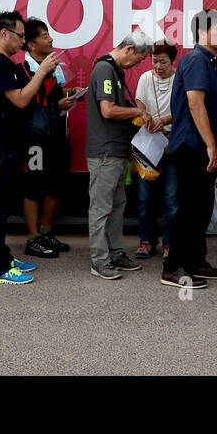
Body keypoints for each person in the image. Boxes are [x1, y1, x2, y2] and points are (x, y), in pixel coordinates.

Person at [0, 10, 53, 285]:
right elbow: (21, 100)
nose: (23, 41)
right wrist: (42, 70)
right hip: (5, 143)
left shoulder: (5, 63)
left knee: (5, 203)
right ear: (4, 33)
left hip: (14, 141)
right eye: (21, 35)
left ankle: (5, 257)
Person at [160, 10, 217, 291]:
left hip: (199, 146)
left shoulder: (209, 62)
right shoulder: (196, 60)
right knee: (189, 209)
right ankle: (173, 267)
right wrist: (211, 144)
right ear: (202, 32)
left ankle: (194, 261)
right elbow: (195, 104)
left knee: (201, 209)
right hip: (192, 146)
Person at [87, 32, 153, 280]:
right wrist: (138, 111)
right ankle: (100, 261)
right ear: (128, 49)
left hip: (116, 151)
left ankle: (115, 253)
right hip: (105, 151)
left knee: (117, 206)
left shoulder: (114, 71)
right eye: (139, 59)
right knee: (102, 208)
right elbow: (108, 110)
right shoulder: (105, 69)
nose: (138, 64)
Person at [20, 18, 78, 259]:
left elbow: (52, 96)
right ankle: (33, 239)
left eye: (49, 34)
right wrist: (56, 104)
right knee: (34, 187)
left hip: (57, 135)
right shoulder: (22, 71)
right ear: (31, 44)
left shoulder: (55, 67)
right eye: (45, 36)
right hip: (35, 138)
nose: (51, 39)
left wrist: (70, 95)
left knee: (58, 184)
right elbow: (24, 103)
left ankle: (45, 232)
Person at [134, 41, 178, 259]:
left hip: (171, 144)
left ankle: (170, 242)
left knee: (171, 197)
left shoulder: (179, 79)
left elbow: (186, 108)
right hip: (148, 142)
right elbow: (139, 103)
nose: (158, 66)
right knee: (144, 196)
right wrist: (145, 116)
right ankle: (146, 240)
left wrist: (165, 120)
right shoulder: (145, 78)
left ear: (172, 61)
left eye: (163, 62)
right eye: (154, 61)